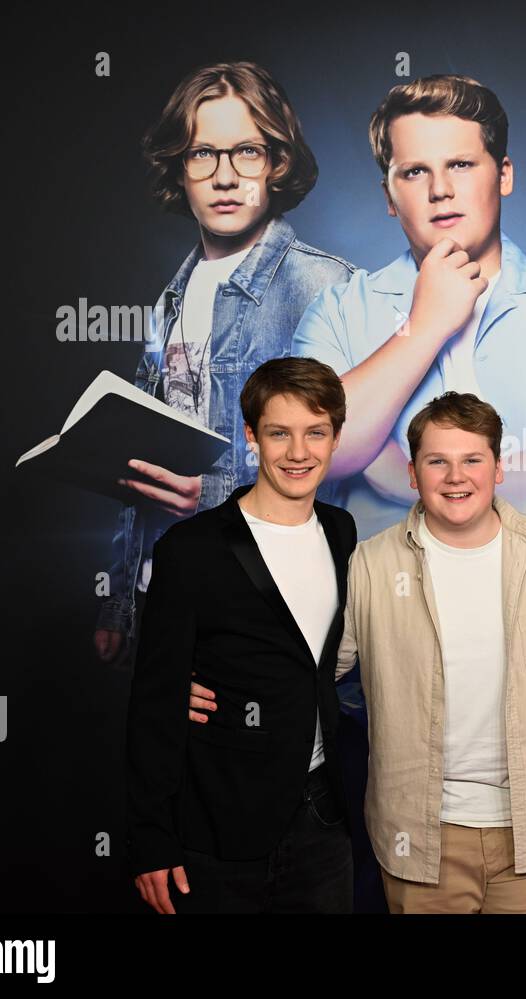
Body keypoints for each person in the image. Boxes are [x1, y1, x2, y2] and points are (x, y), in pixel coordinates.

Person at [193, 392, 526, 913]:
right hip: (421, 842)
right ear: (412, 473)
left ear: (498, 468)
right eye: (437, 461)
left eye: (472, 459)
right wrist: (207, 681)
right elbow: (310, 670)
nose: (456, 476)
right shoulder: (371, 565)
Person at [95, 61, 355, 663]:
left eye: (247, 152)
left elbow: (339, 463)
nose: (224, 177)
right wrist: (116, 601)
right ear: (179, 171)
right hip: (163, 597)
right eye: (202, 155)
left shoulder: (322, 284)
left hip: (259, 602)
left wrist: (207, 493)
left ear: (277, 162)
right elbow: (143, 452)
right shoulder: (171, 298)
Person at [291, 74, 526, 535]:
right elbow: (312, 448)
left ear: (503, 174)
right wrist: (424, 326)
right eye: (414, 171)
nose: (440, 189)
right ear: (388, 195)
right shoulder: (336, 310)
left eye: (461, 164)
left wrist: (406, 478)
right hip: (391, 598)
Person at [127, 357, 357, 914]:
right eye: (280, 433)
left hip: (326, 818)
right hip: (219, 824)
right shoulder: (190, 549)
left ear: (335, 437)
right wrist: (149, 839)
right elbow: (154, 703)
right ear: (252, 436)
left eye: (315, 433)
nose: (299, 453)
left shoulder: (342, 531)